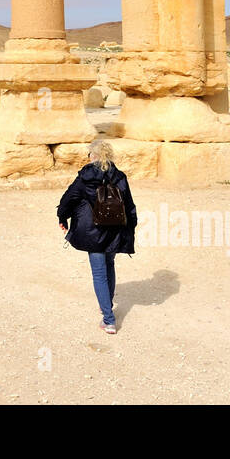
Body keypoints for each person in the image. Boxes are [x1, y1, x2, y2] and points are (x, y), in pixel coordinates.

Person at [57, 140, 137, 334]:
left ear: (92, 156)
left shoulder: (85, 177)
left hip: (93, 233)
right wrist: (130, 229)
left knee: (99, 273)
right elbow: (130, 206)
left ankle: (109, 320)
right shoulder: (120, 177)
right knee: (109, 266)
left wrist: (62, 217)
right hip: (115, 231)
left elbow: (69, 199)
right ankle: (106, 305)